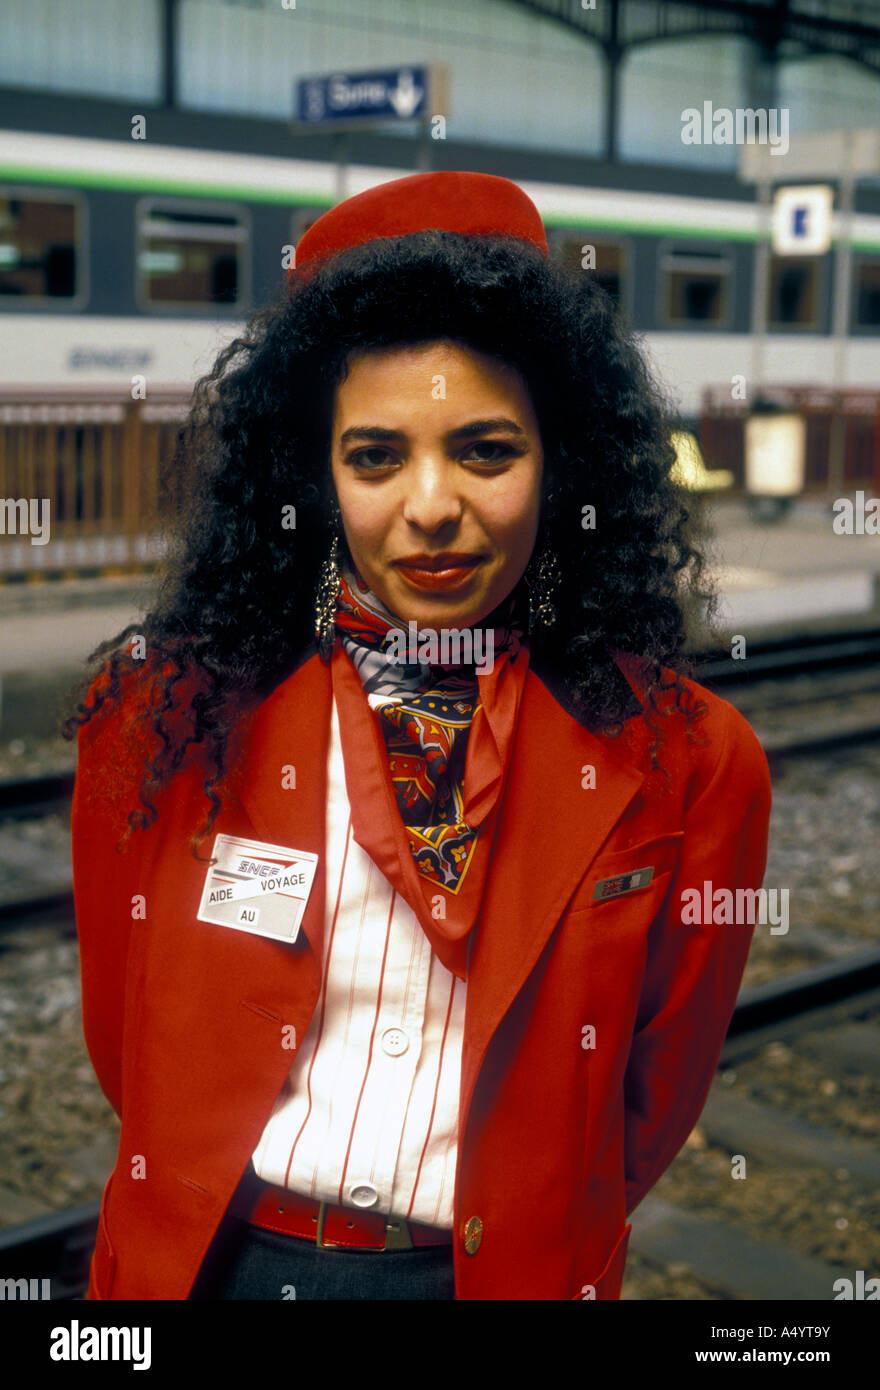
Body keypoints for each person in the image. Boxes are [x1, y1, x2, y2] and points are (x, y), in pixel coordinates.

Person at [63, 170, 771, 1301]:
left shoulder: (693, 762)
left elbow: (652, 1096)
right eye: (376, 456)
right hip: (209, 1268)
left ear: (563, 464)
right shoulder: (162, 720)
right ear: (314, 477)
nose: (432, 506)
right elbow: (129, 1045)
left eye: (487, 451)